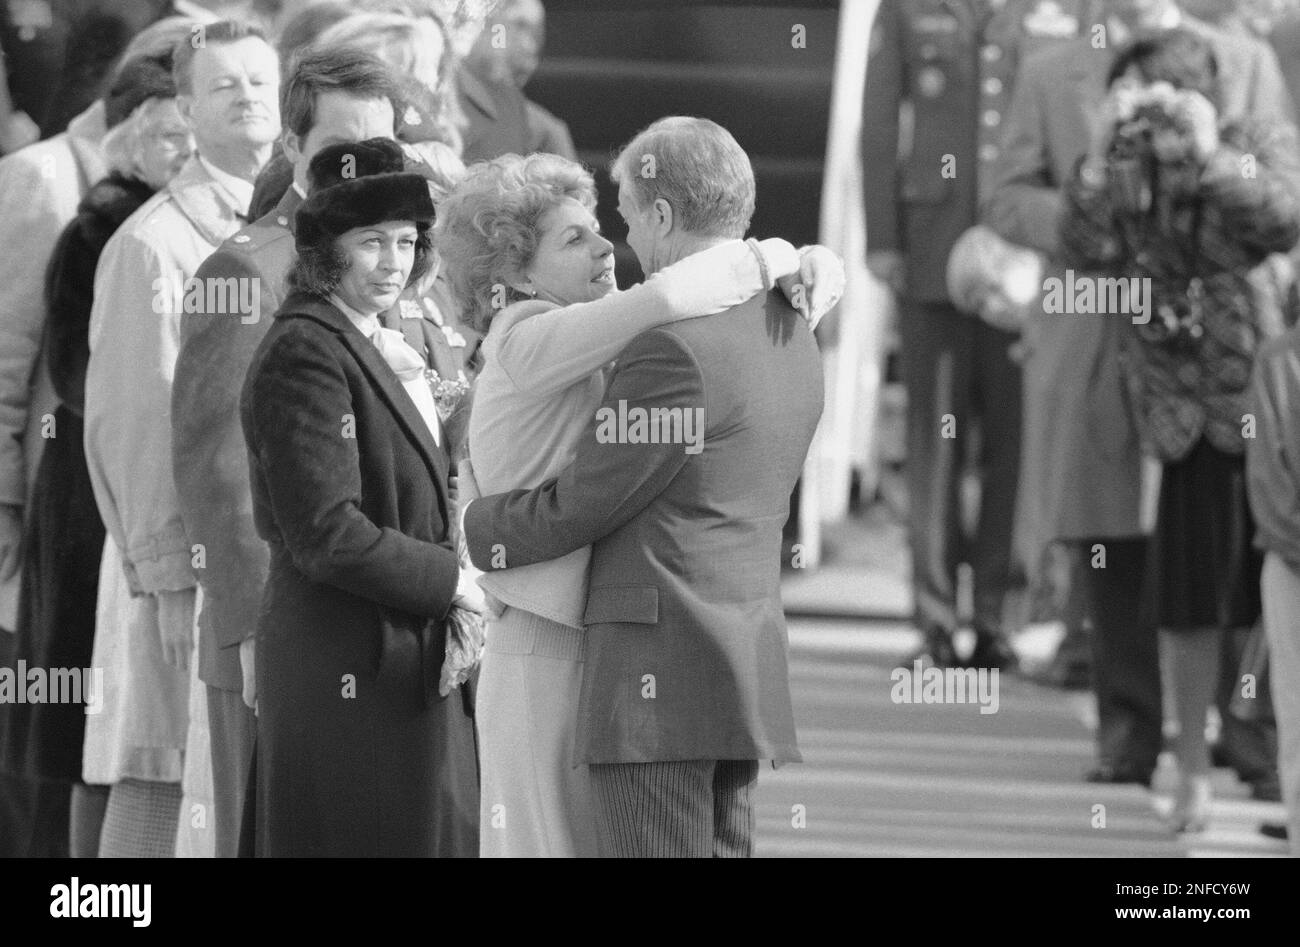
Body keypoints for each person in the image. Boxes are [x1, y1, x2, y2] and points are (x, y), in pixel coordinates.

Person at [437, 150, 837, 857]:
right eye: (575, 238)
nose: (606, 246)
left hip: (589, 640)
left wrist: (796, 261)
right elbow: (668, 298)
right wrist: (778, 257)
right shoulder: (530, 334)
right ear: (516, 274)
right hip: (541, 642)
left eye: (601, 227)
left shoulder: (602, 338)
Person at [983, 0, 1297, 793]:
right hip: (1098, 324)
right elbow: (1007, 196)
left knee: (1233, 535)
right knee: (1110, 531)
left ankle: (1247, 728)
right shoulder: (1053, 70)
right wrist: (1107, 185)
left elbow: (1277, 195)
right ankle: (1129, 727)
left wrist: (1201, 159)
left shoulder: (1242, 58)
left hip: (1222, 344)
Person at [171, 45, 397, 859]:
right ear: (293, 150)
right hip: (280, 632)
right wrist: (250, 635)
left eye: (381, 151)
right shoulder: (245, 268)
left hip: (377, 623)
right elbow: (216, 473)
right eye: (342, 149)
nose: (362, 167)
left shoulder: (391, 267)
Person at [240, 168, 479, 858]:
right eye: (372, 242)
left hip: (395, 658)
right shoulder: (305, 347)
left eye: (406, 242)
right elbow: (328, 534)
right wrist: (453, 583)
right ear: (324, 254)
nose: (393, 261)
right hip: (345, 659)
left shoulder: (370, 336)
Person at [0, 14, 195, 859]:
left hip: (117, 502)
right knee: (55, 744)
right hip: (61, 495)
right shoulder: (46, 180)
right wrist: (5, 502)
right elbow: (7, 358)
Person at [83, 19, 279, 858]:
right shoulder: (153, 243)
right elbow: (134, 419)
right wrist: (167, 577)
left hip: (252, 553)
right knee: (163, 773)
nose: (247, 97)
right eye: (224, 84)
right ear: (186, 111)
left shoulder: (287, 227)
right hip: (177, 560)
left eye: (261, 82)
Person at [863, 0, 1093, 673]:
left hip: (1030, 257)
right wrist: (882, 235)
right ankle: (934, 617)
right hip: (934, 245)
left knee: (1017, 442)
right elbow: (880, 121)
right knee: (934, 445)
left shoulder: (1063, 9)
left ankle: (999, 616)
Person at [465, 0, 575, 159]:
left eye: (535, 33)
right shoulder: (444, 99)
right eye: (519, 25)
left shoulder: (545, 131)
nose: (528, 45)